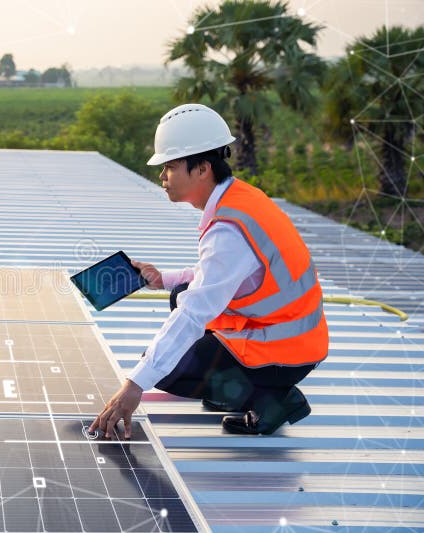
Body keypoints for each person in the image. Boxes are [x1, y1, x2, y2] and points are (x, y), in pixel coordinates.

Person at [89, 103, 328, 437]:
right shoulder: (239, 199)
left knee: (168, 371)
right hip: (284, 331)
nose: (162, 176)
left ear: (201, 169)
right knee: (179, 295)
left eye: (170, 166)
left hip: (287, 350)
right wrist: (162, 279)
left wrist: (134, 385)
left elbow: (193, 314)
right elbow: (219, 275)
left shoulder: (229, 229)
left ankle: (276, 399)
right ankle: (233, 385)